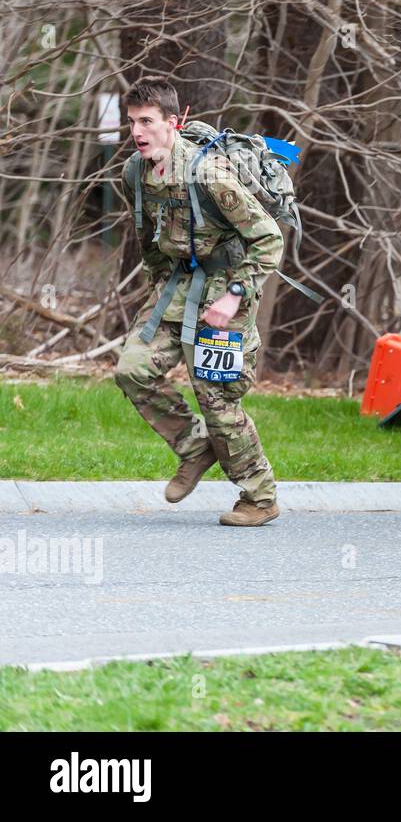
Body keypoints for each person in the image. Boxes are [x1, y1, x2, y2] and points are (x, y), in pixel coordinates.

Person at [114, 76, 284, 527]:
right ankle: (194, 448)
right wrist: (155, 289)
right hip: (175, 288)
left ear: (173, 122)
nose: (137, 131)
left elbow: (268, 239)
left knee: (217, 399)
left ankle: (259, 496)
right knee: (132, 369)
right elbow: (148, 237)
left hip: (227, 288)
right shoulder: (136, 171)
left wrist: (233, 297)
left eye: (147, 121)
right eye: (132, 122)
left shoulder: (209, 174)